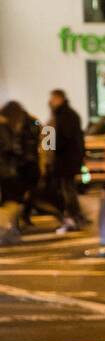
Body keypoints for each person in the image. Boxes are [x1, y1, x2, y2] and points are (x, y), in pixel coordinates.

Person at [48, 89, 87, 232]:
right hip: (69, 159)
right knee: (68, 189)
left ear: (59, 99)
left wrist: (52, 150)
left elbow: (61, 139)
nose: (50, 101)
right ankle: (75, 217)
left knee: (68, 190)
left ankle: (75, 217)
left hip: (65, 160)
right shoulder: (66, 114)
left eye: (53, 98)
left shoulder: (64, 116)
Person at [0, 102, 42, 230]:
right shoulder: (32, 121)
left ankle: (12, 225)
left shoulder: (10, 124)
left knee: (11, 198)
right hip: (16, 167)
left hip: (14, 168)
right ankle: (16, 222)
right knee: (16, 197)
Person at [0, 108, 24, 245]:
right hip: (6, 170)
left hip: (5, 170)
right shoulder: (5, 126)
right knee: (10, 201)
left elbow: (9, 148)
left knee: (9, 201)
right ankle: (11, 230)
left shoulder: (2, 126)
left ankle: (10, 231)